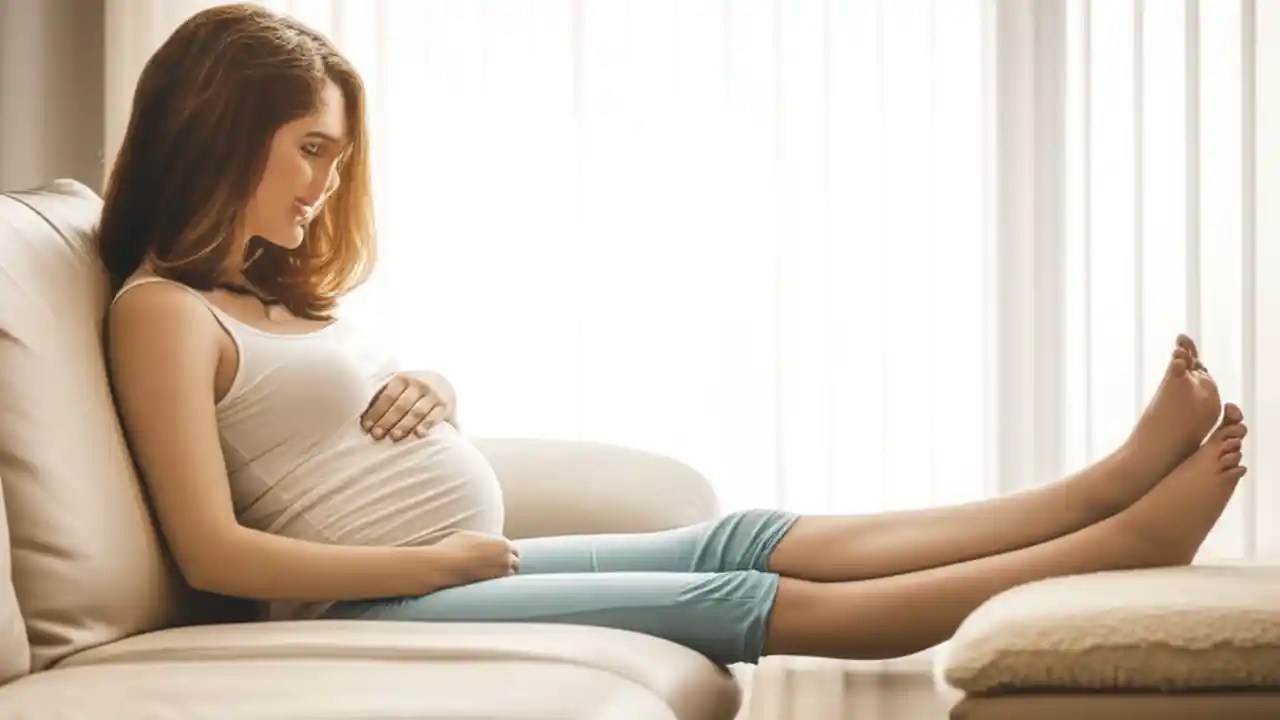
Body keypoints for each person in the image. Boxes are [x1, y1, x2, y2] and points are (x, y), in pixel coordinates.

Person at [98, 3, 1249, 668]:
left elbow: (310, 419)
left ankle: (1097, 488)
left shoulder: (259, 289)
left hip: (437, 570)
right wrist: (428, 563)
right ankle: (1114, 547)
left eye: (337, 155)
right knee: (734, 601)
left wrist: (428, 385)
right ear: (220, 131)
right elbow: (215, 552)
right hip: (375, 602)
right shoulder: (161, 312)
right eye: (310, 147)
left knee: (738, 535)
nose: (325, 181)